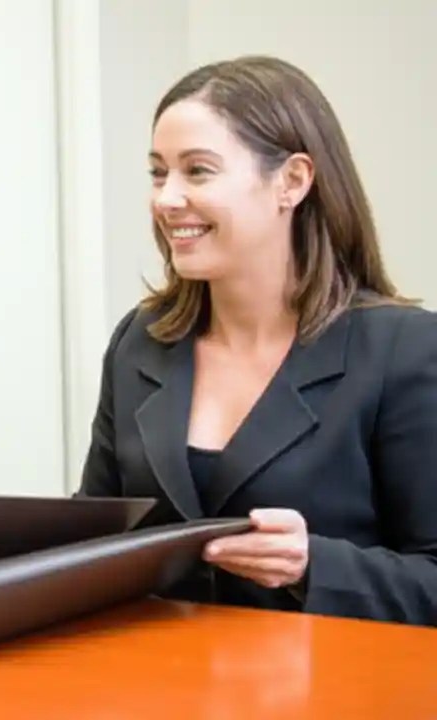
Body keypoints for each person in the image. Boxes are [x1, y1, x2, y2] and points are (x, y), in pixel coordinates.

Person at [79, 55, 437, 625]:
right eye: (158, 172)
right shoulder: (139, 341)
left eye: (197, 171)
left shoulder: (406, 351)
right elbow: (89, 543)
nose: (167, 199)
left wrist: (316, 564)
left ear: (292, 182)